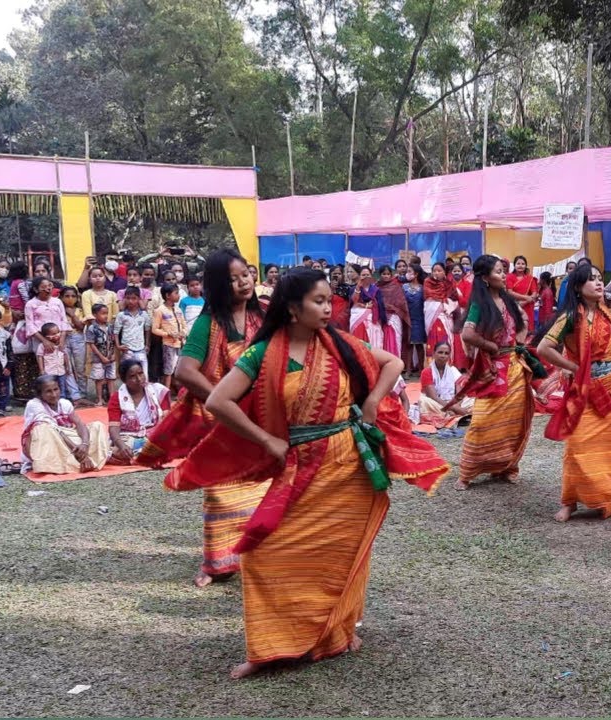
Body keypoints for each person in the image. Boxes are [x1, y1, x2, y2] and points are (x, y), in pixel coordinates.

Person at [163, 267, 448, 678]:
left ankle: (335, 631)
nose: (328, 307)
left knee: (344, 552)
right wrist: (266, 440)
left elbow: (394, 364)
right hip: (301, 464)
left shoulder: (339, 344)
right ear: (293, 309)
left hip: (349, 465)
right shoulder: (262, 353)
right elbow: (218, 402)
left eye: (328, 299)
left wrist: (369, 408)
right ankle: (272, 646)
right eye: (318, 301)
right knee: (263, 552)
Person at [136, 248, 266, 588]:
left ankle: (261, 553)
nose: (243, 283)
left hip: (262, 417)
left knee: (265, 486)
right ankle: (218, 563)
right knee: (221, 491)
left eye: (246, 275)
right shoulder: (208, 324)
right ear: (218, 286)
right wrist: (222, 400)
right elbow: (185, 371)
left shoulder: (264, 317)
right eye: (233, 279)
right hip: (222, 421)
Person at [537, 261, 611, 521]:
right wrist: (572, 365)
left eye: (601, 278)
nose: (599, 283)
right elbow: (544, 348)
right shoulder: (569, 316)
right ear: (579, 287)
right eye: (592, 279)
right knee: (577, 446)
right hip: (584, 391)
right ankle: (570, 502)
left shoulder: (609, 315)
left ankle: (604, 498)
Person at [455, 255, 538, 489]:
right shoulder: (479, 304)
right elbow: (468, 334)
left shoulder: (507, 299)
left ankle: (506, 466)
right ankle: (467, 472)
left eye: (504, 270)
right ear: (484, 278)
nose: (503, 275)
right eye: (498, 271)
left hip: (514, 366)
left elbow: (522, 321)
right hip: (492, 367)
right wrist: (492, 347)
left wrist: (517, 345)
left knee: (513, 420)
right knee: (482, 420)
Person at [21, 375, 110, 474]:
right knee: (43, 428)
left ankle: (83, 459)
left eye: (56, 389)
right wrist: (79, 452)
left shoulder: (64, 403)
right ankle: (77, 461)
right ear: (39, 394)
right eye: (48, 391)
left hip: (70, 442)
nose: (54, 394)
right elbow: (54, 430)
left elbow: (79, 424)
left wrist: (84, 444)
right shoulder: (34, 405)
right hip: (51, 442)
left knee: (97, 426)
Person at [107, 359, 171, 464]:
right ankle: (140, 454)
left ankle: (140, 454)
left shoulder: (158, 391)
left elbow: (167, 422)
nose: (139, 379)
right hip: (128, 437)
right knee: (115, 449)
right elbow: (113, 428)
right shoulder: (117, 398)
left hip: (154, 435)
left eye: (141, 373)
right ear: (124, 380)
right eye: (132, 376)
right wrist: (121, 445)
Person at [423, 263, 465, 366]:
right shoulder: (427, 283)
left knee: (445, 339)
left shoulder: (449, 284)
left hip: (447, 316)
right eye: (434, 271)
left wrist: (448, 305)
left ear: (445, 273)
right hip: (433, 317)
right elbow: (428, 300)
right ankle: (431, 366)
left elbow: (455, 300)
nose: (436, 273)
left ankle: (447, 366)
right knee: (434, 340)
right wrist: (439, 304)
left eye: (439, 271)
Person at [419, 342, 472, 421]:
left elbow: (459, 394)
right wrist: (455, 409)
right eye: (440, 352)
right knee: (424, 401)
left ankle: (448, 413)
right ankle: (451, 413)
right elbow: (433, 397)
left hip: (452, 402)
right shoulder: (427, 372)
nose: (443, 356)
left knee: (472, 399)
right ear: (434, 354)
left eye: (446, 353)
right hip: (437, 403)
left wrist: (456, 406)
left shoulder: (453, 370)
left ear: (449, 356)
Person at [86, 304, 118, 404]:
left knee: (111, 378)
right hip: (98, 358)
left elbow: (113, 341)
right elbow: (91, 344)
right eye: (103, 313)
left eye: (107, 313)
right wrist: (101, 357)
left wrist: (114, 354)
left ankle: (112, 398)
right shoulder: (92, 328)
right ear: (95, 315)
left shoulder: (110, 326)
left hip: (110, 357)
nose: (105, 316)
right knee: (99, 379)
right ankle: (100, 399)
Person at [375, 265, 408, 359]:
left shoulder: (396, 286)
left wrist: (392, 307)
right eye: (383, 274)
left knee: (395, 339)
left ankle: (395, 361)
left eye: (388, 274)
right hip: (380, 317)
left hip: (394, 317)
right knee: (382, 339)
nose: (386, 276)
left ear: (391, 275)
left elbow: (401, 302)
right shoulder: (376, 287)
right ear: (380, 275)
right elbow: (374, 301)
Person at [114, 288, 150, 370]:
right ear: (124, 299)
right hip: (127, 349)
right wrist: (118, 345)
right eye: (128, 298)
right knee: (128, 374)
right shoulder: (121, 315)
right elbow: (116, 332)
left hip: (141, 348)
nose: (130, 301)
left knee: (144, 374)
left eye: (134, 298)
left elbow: (147, 330)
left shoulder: (144, 315)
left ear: (139, 299)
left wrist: (147, 344)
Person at [505, 256, 540, 332]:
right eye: (518, 263)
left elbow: (534, 293)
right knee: (514, 329)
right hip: (513, 306)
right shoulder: (509, 277)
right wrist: (524, 299)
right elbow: (509, 292)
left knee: (527, 330)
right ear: (514, 265)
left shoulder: (530, 278)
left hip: (527, 306)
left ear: (526, 266)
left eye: (523, 264)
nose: (520, 265)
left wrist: (525, 302)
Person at [403, 266, 427, 373]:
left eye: (409, 271)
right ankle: (408, 370)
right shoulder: (404, 287)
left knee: (419, 344)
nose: (407, 274)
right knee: (408, 344)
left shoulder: (423, 288)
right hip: (407, 319)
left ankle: (421, 369)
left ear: (416, 274)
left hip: (420, 319)